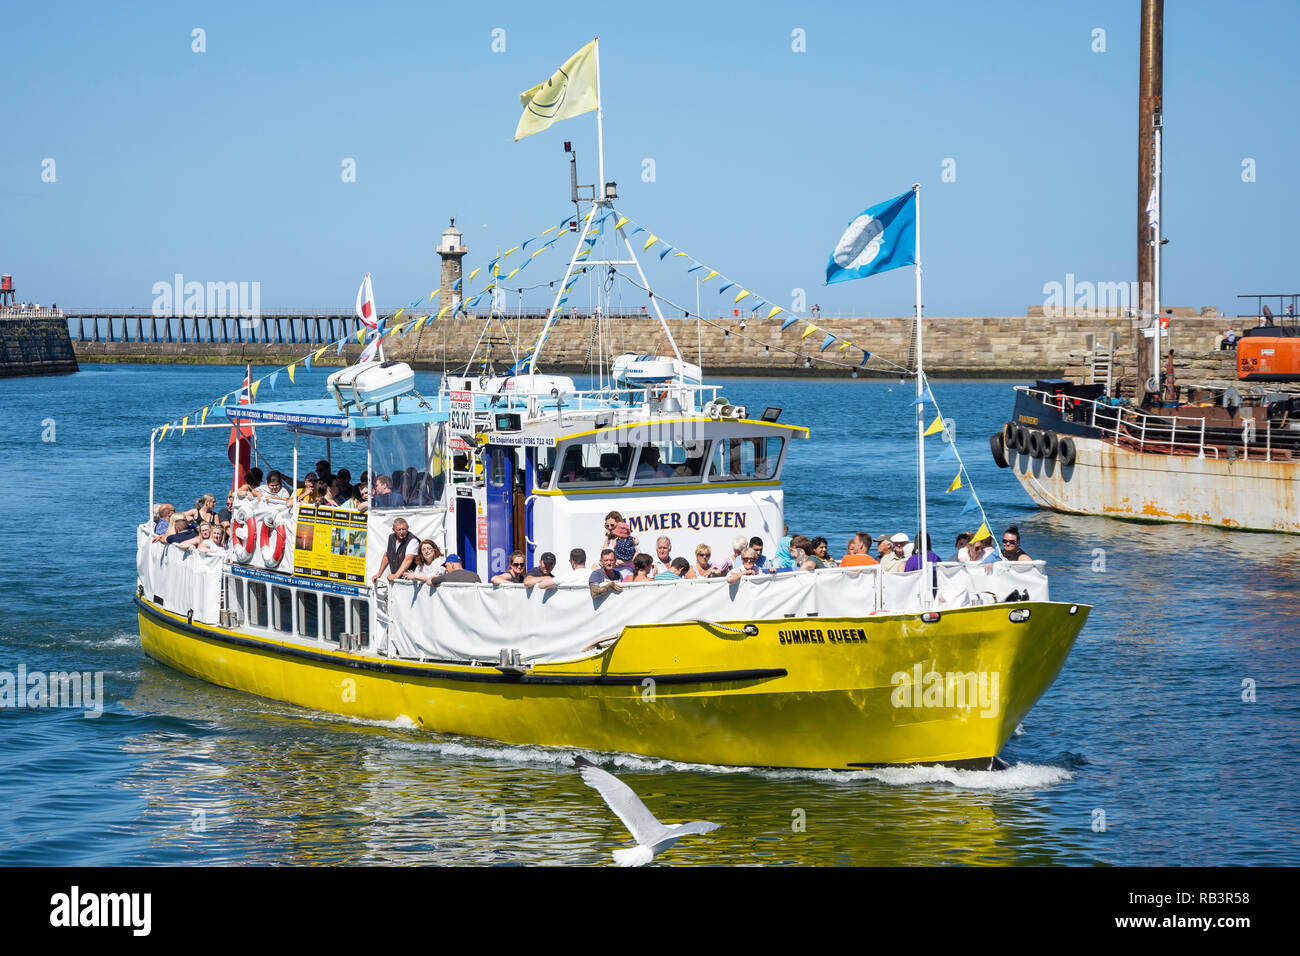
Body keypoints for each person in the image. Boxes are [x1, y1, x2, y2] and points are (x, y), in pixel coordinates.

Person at [372, 518, 419, 585]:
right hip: (396, 581)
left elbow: (408, 559)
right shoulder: (391, 538)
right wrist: (379, 574)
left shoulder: (413, 540)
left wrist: (396, 575)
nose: (401, 532)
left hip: (409, 581)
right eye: (399, 530)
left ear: (407, 529)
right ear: (393, 530)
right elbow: (387, 556)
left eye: (404, 529)